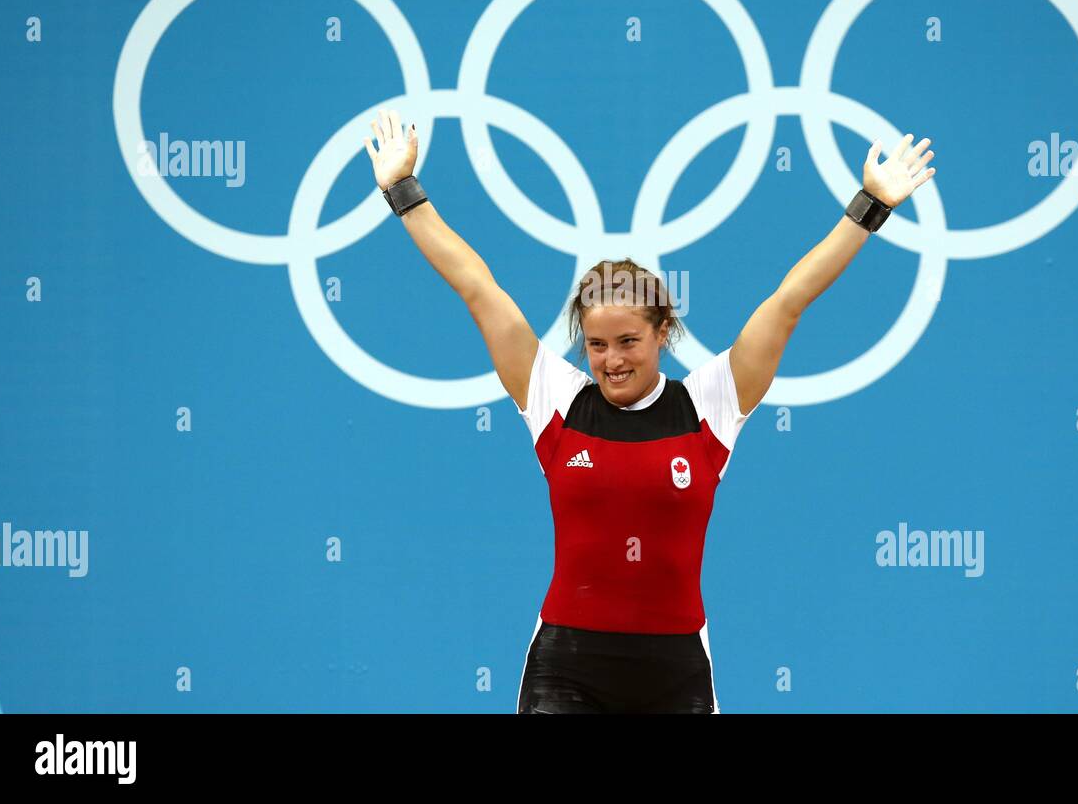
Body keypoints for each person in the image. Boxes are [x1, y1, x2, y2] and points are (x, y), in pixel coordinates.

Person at [362, 108, 936, 713]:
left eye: (628, 341)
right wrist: (402, 190)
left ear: (663, 333)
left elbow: (790, 301)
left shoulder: (713, 402)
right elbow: (478, 288)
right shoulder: (554, 398)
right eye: (597, 344)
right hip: (566, 666)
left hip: (675, 670)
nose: (610, 360)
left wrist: (871, 204)